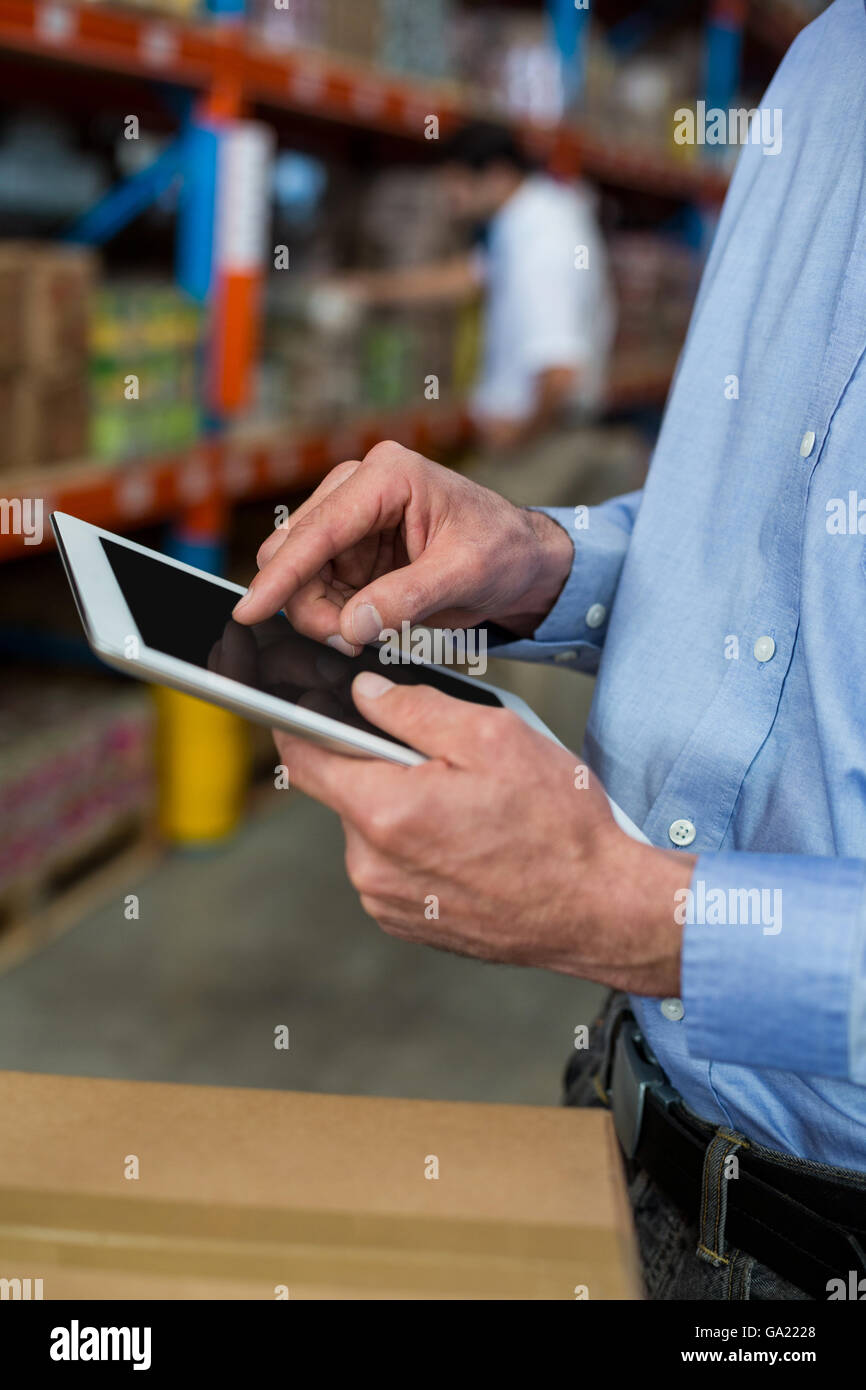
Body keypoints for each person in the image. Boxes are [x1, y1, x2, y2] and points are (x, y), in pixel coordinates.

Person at [234, 0, 866, 1301]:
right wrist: (547, 562)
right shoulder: (828, 64)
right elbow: (773, 551)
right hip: (636, 1134)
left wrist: (641, 917)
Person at [344, 120, 614, 449]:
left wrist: (518, 440)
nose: (450, 197)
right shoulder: (523, 221)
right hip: (537, 431)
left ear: (498, 175)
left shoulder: (542, 242)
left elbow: (560, 373)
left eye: (458, 183)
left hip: (542, 439)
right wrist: (368, 289)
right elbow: (466, 277)